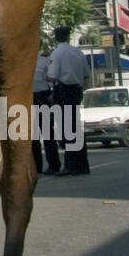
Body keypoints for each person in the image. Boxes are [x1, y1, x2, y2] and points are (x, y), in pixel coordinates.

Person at [45, 26, 90, 176]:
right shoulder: (78, 52)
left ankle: (70, 166)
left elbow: (52, 75)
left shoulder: (57, 53)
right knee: (76, 128)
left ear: (57, 37)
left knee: (67, 130)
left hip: (63, 91)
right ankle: (82, 165)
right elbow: (86, 75)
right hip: (76, 91)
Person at [33, 49, 61, 176]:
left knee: (47, 132)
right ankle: (36, 166)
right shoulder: (20, 59)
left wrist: (52, 95)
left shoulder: (45, 59)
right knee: (31, 135)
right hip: (27, 97)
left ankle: (54, 165)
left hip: (42, 96)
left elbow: (54, 79)